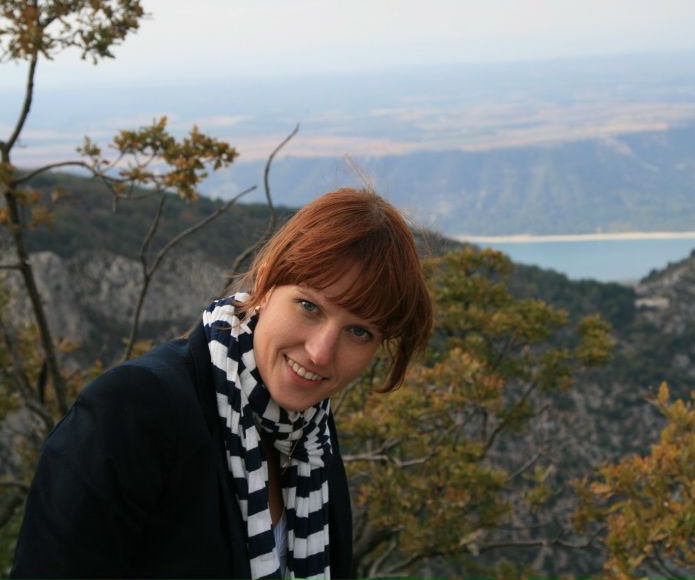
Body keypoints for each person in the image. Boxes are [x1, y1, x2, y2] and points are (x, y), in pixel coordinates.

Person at [11, 188, 434, 580]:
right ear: (265, 284)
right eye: (309, 306)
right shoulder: (132, 410)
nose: (321, 353)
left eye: (359, 332)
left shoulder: (310, 434)